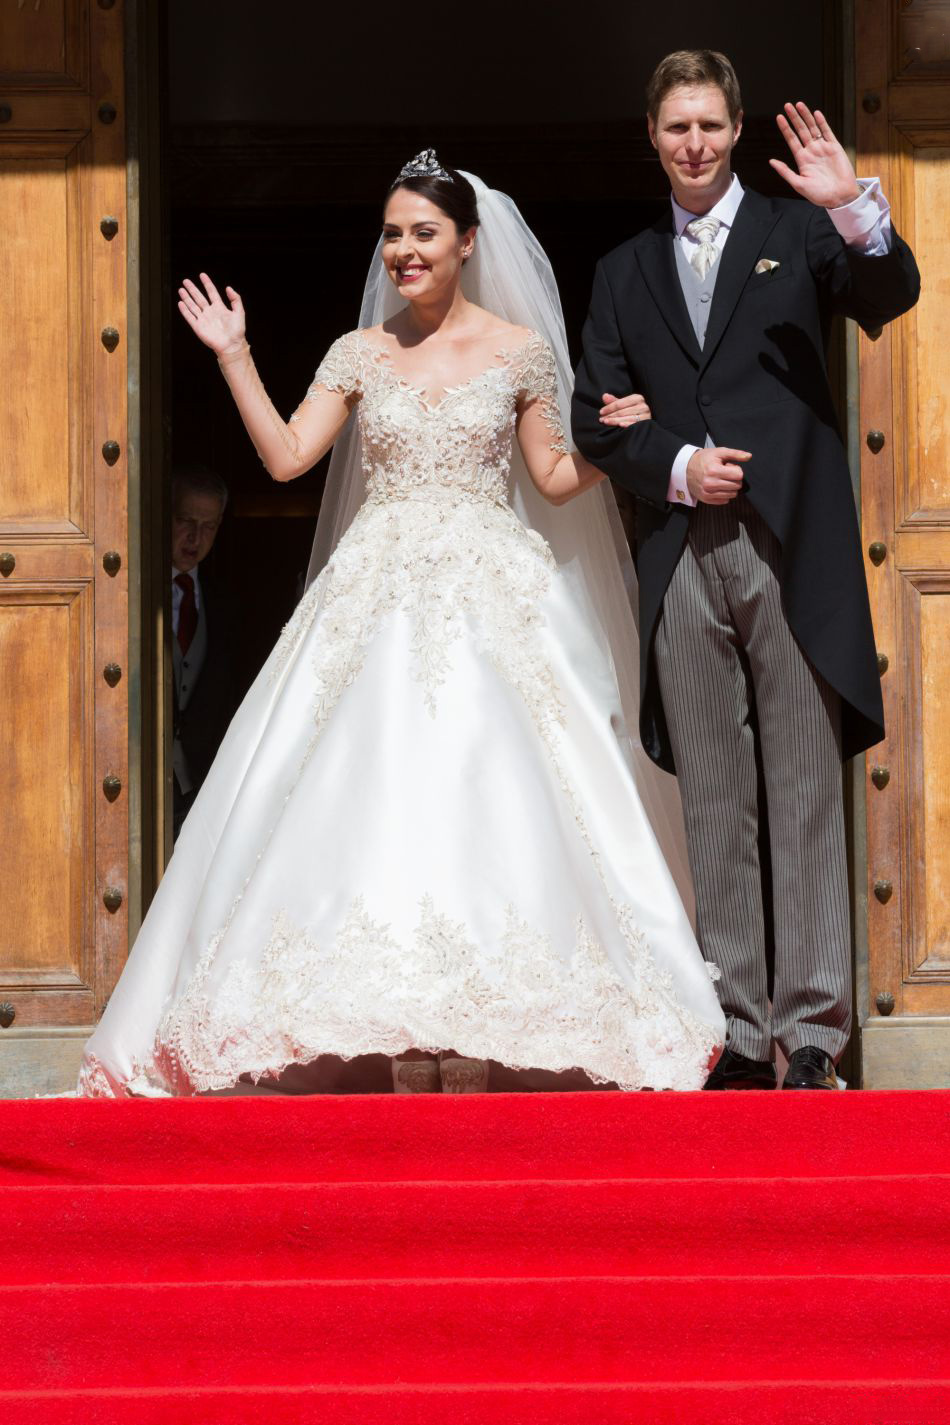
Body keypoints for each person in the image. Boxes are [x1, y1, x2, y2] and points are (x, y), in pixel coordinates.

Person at [77, 152, 725, 1099]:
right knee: (366, 785)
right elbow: (288, 456)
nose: (404, 251)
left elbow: (552, 478)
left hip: (492, 591)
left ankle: (479, 1020)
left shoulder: (519, 351)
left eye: (424, 233)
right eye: (392, 234)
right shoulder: (360, 352)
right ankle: (393, 1027)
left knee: (495, 787)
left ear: (468, 243)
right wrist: (234, 355)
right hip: (375, 592)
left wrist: (613, 441)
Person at [572, 51, 920, 1091]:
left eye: (712, 126)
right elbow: (597, 416)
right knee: (715, 797)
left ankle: (810, 1034)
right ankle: (733, 1025)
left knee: (803, 786)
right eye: (677, 127)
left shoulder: (796, 231)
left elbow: (887, 293)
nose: (695, 145)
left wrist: (851, 208)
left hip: (790, 544)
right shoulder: (622, 270)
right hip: (682, 550)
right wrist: (676, 464)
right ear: (652, 135)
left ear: (736, 129)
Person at [170, 465, 237, 838]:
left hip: (204, 786)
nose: (195, 537)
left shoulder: (227, 601)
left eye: (208, 526)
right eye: (186, 521)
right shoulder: (131, 593)